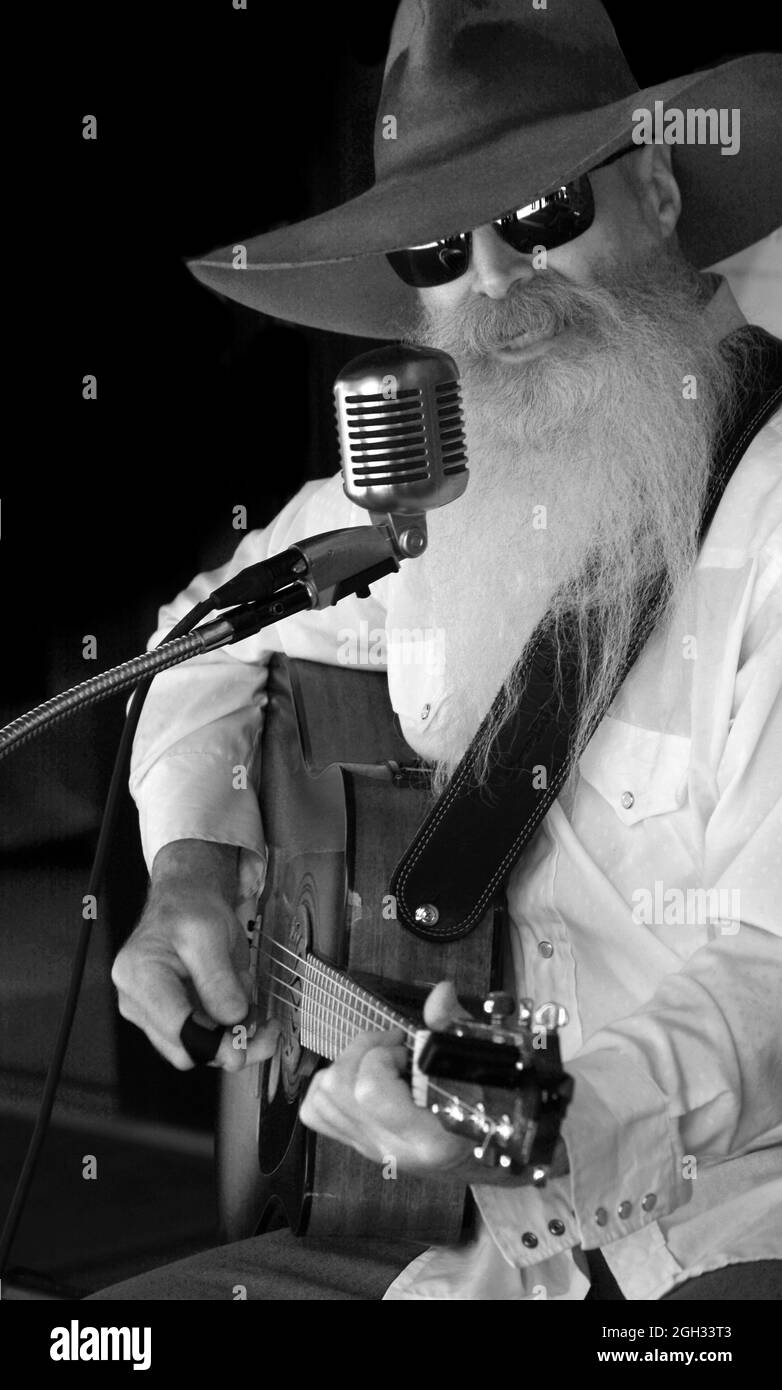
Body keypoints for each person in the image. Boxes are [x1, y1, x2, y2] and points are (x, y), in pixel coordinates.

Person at [97, 0, 782, 1300]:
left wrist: (553, 1117)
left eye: (538, 216)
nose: (493, 282)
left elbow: (772, 971)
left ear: (653, 186)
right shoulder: (438, 485)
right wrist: (189, 866)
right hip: (467, 1245)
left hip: (736, 1228)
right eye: (434, 251)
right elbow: (209, 625)